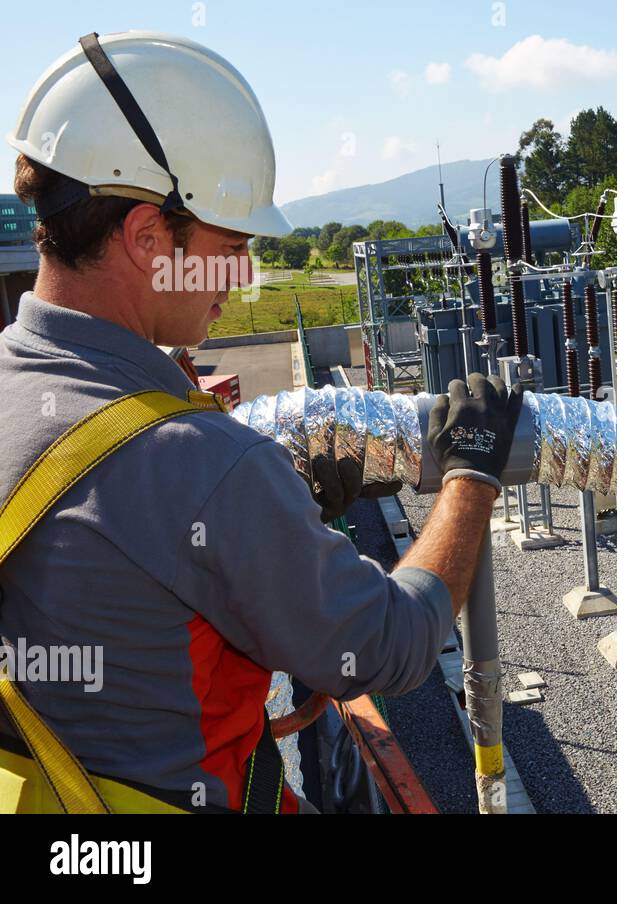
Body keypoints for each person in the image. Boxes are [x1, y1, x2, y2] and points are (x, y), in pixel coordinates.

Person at [0, 31, 520, 812]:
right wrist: (471, 473)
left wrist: (273, 525)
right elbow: (392, 642)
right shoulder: (200, 465)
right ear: (146, 238)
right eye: (231, 245)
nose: (242, 276)